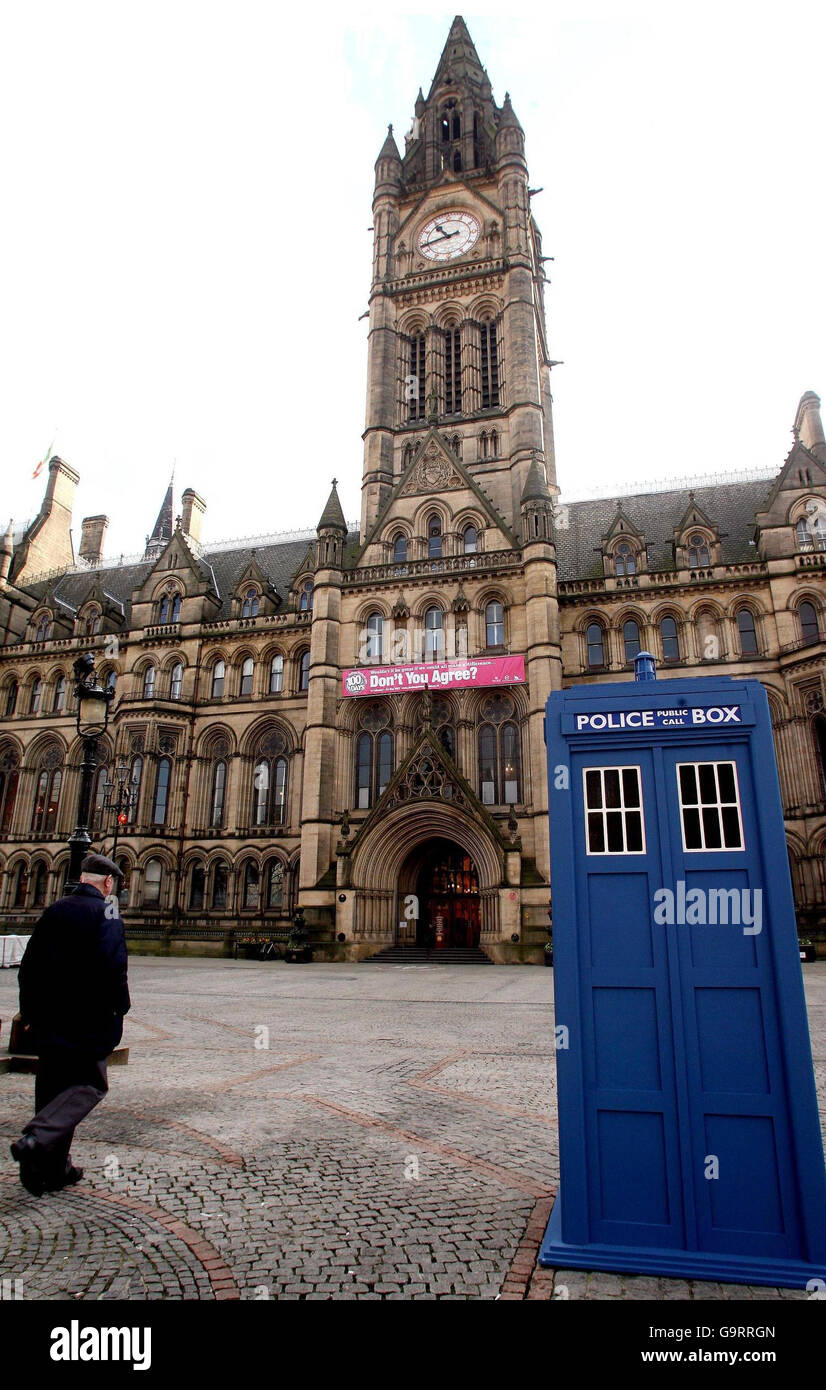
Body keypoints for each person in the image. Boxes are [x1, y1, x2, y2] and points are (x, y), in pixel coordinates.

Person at [10, 852, 130, 1196]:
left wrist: (29, 1015)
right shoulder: (107, 911)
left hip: (48, 1021)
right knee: (89, 1085)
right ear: (107, 883)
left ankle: (45, 1171)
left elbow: (29, 967)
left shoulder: (56, 909)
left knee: (51, 1092)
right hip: (86, 1022)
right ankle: (36, 1138)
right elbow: (113, 967)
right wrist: (119, 1011)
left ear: (81, 878)